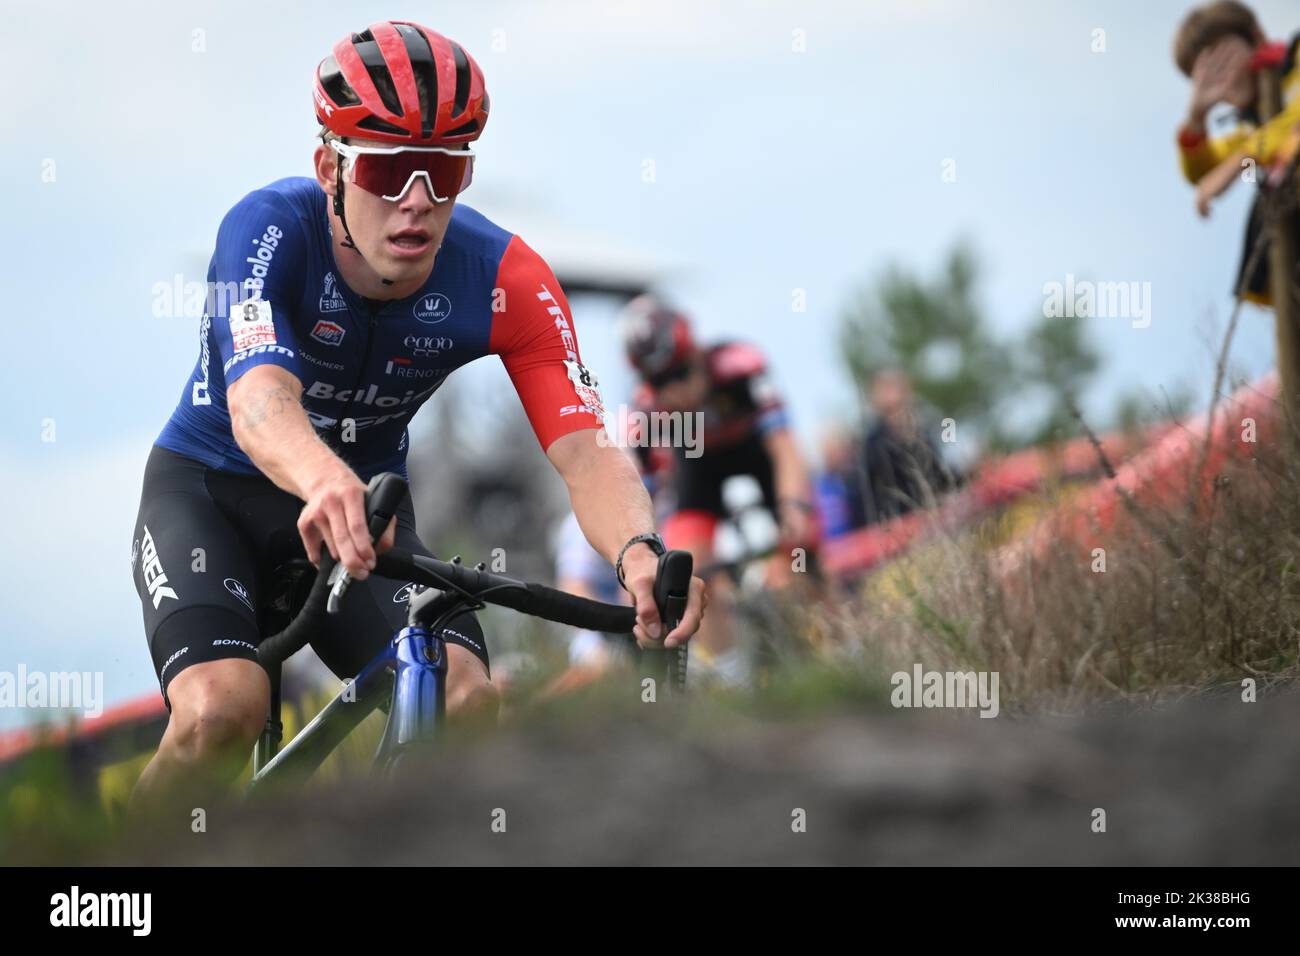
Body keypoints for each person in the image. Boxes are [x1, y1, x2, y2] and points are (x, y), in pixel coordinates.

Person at [128, 21, 705, 817]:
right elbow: (258, 403)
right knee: (221, 709)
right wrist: (326, 479)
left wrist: (637, 551)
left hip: (364, 520)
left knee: (466, 699)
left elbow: (587, 451)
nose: (418, 201)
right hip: (213, 494)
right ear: (330, 166)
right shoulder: (265, 231)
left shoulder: (505, 276)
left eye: (443, 170)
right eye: (390, 168)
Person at [620, 294, 815, 666]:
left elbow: (785, 447)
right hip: (699, 465)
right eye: (659, 381)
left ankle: (832, 647)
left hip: (758, 456)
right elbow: (642, 496)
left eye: (679, 373)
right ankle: (730, 670)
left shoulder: (739, 366)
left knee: (802, 552)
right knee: (688, 568)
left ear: (695, 353)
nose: (673, 391)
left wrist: (795, 505)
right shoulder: (645, 408)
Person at [1173, 1, 1300, 305]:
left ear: (1255, 37)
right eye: (1202, 76)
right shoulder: (1252, 125)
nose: (1220, 81)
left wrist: (1241, 161)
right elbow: (1203, 173)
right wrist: (1196, 119)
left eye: (1221, 61)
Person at [857, 370, 958, 526]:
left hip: (935, 521)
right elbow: (870, 499)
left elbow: (942, 476)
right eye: (885, 388)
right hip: (897, 529)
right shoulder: (872, 445)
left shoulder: (925, 434)